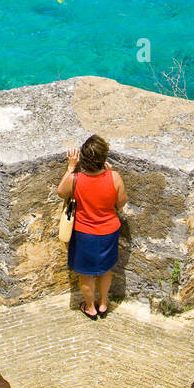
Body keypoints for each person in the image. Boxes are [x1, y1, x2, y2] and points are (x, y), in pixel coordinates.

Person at [57, 134, 126, 319]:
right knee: (105, 270)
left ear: (84, 159)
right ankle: (103, 304)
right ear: (104, 159)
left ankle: (90, 307)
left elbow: (61, 192)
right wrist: (110, 174)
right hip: (109, 232)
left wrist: (70, 168)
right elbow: (121, 203)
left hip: (84, 233)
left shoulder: (76, 179)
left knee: (86, 275)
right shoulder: (115, 177)